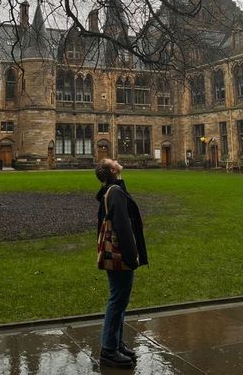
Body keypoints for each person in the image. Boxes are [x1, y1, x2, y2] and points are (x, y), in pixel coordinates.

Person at [95, 158, 148, 369]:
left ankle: (116, 343)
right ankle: (109, 350)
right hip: (120, 255)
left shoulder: (113, 190)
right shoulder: (114, 192)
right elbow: (123, 226)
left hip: (116, 255)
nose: (117, 160)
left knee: (120, 300)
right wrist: (131, 255)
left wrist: (120, 180)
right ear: (111, 170)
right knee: (117, 300)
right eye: (112, 161)